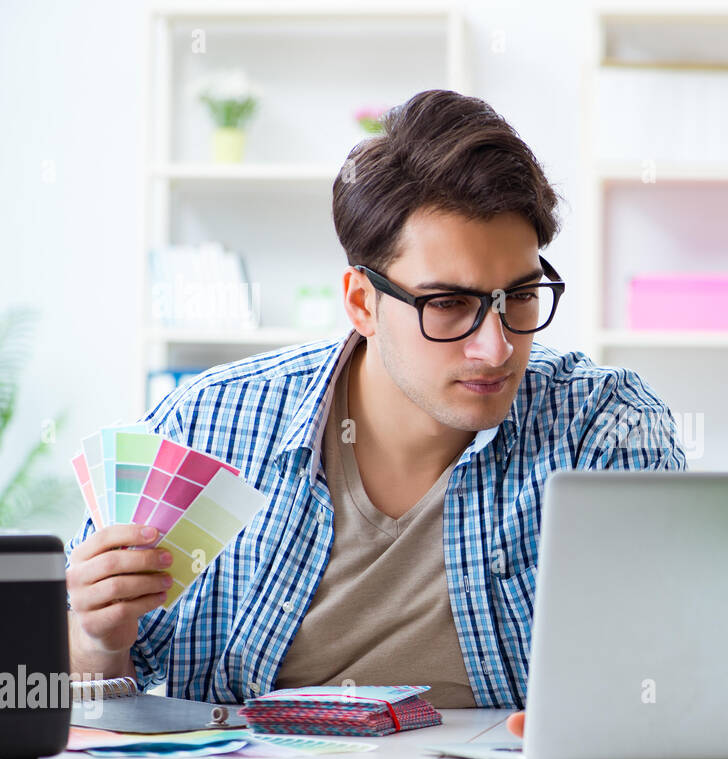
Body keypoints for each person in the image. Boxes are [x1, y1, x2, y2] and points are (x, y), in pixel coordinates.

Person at [64, 89, 687, 709]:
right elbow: (69, 705)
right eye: (449, 305)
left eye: (520, 297)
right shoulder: (203, 427)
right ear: (363, 302)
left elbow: (675, 676)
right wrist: (96, 641)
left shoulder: (601, 430)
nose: (495, 348)